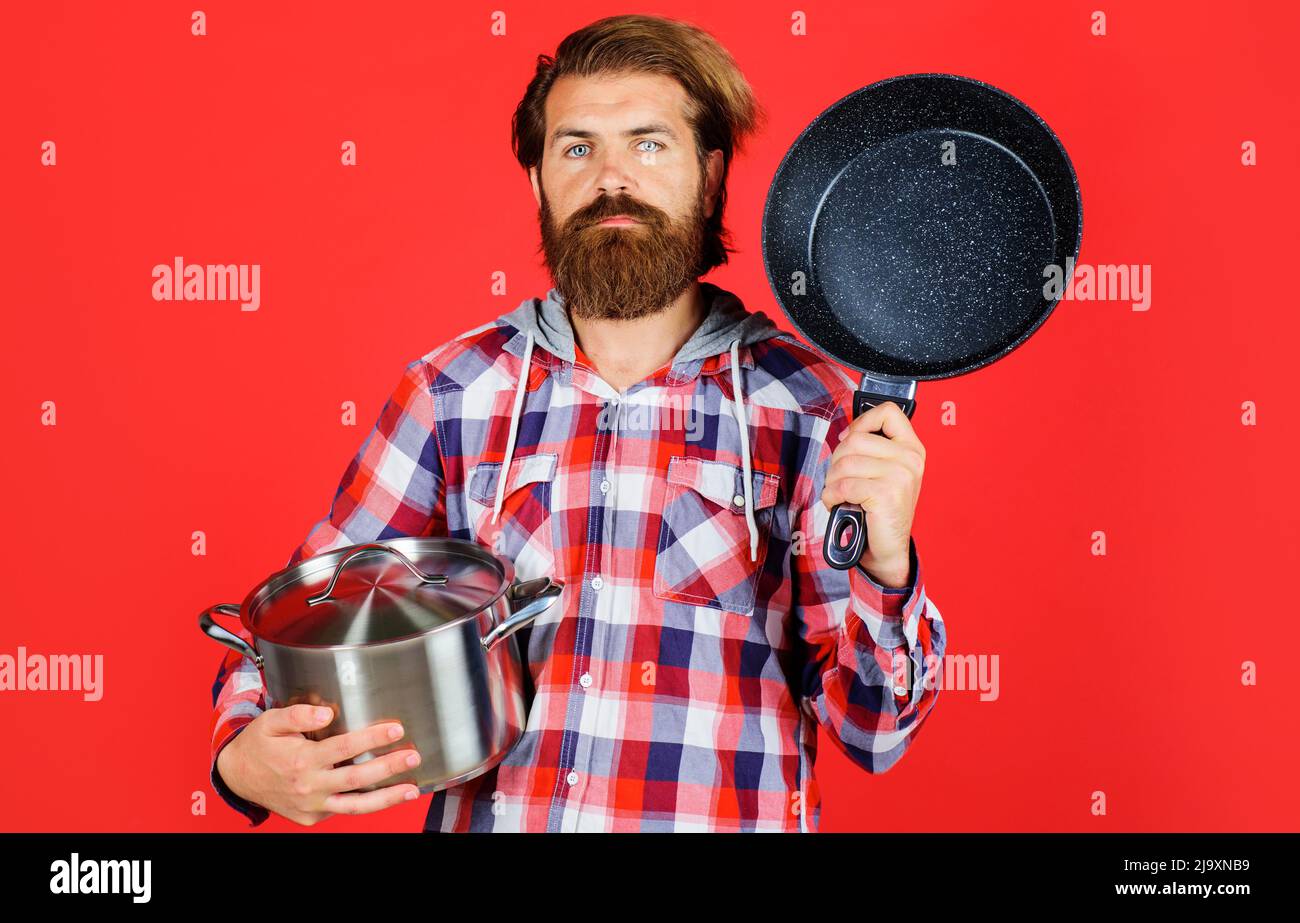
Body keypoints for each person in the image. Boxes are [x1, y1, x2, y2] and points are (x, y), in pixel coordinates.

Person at [209, 13, 946, 833]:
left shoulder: (809, 406)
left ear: (710, 176)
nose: (611, 178)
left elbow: (874, 730)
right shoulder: (450, 393)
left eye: (649, 143)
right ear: (537, 183)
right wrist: (242, 752)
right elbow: (308, 606)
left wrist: (888, 565)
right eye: (577, 147)